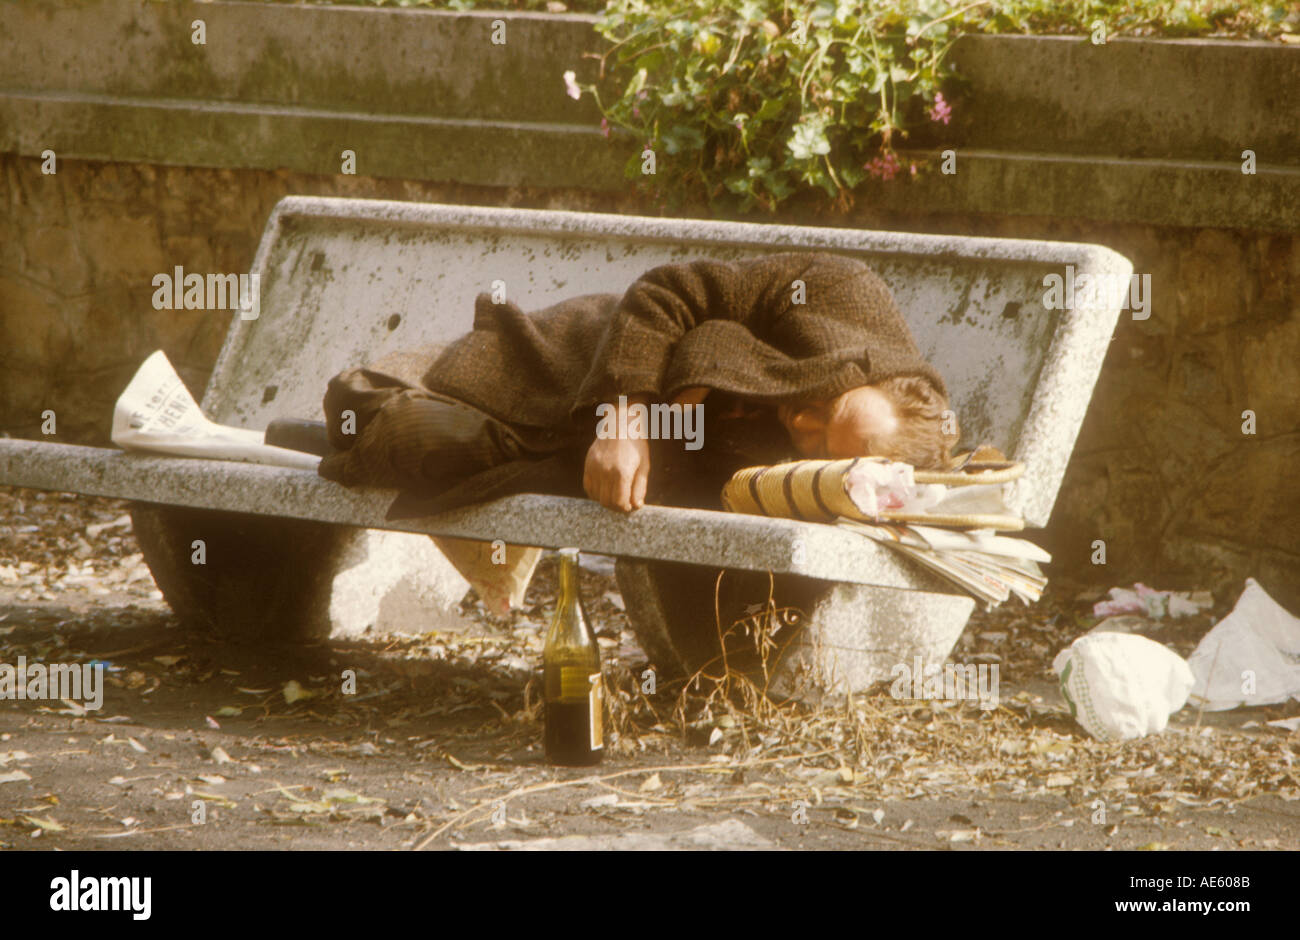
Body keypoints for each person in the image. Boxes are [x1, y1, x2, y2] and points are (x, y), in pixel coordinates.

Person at [316, 251, 958, 518]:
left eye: (823, 451)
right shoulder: (845, 291)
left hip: (565, 455)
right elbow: (673, 289)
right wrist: (623, 420)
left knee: (413, 437)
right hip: (586, 359)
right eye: (827, 404)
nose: (802, 424)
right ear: (881, 378)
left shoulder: (837, 487)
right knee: (352, 396)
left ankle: (354, 437)